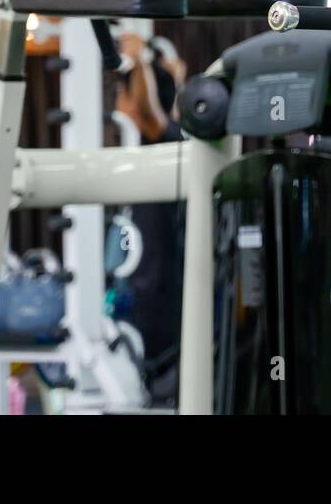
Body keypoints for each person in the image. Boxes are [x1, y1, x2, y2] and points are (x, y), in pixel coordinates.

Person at [110, 31, 188, 403]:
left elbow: (149, 112)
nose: (118, 104)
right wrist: (176, 79)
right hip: (151, 285)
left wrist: (141, 63)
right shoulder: (172, 140)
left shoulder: (160, 138)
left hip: (154, 293)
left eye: (123, 95)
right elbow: (164, 114)